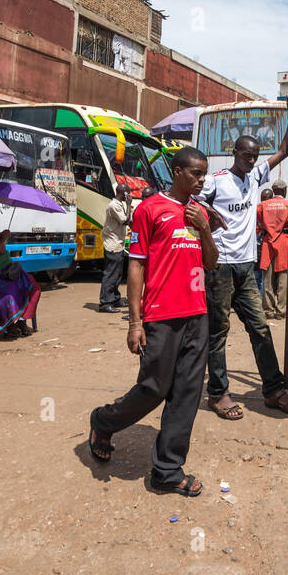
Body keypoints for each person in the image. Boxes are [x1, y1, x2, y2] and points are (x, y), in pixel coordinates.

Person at [86, 146, 218, 497]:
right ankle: (103, 421)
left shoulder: (199, 212)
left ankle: (167, 469)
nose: (202, 179)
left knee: (188, 393)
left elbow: (211, 262)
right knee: (154, 389)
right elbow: (136, 266)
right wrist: (135, 321)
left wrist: (204, 228)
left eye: (204, 173)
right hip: (161, 315)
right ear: (177, 172)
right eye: (196, 173)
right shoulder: (149, 210)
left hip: (197, 314)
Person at [200, 114, 288, 422]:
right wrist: (208, 215)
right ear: (235, 153)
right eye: (246, 156)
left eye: (254, 157)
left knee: (259, 327)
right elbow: (188, 201)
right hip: (220, 268)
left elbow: (284, 150)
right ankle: (218, 394)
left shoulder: (255, 176)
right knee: (218, 332)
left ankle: (273, 390)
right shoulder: (216, 181)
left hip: (246, 267)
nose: (251, 161)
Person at [258, 181, 288, 320]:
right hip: (283, 241)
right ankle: (281, 311)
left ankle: (268, 311)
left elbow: (255, 220)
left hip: (267, 242)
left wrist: (263, 229)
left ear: (273, 190)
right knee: (283, 278)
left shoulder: (262, 205)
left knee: (267, 278)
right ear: (284, 191)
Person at [98, 184, 132, 313]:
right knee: (111, 274)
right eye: (128, 193)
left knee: (117, 274)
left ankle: (115, 299)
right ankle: (105, 303)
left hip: (118, 243)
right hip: (112, 244)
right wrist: (129, 205)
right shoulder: (113, 206)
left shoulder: (118, 204)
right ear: (124, 194)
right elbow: (124, 220)